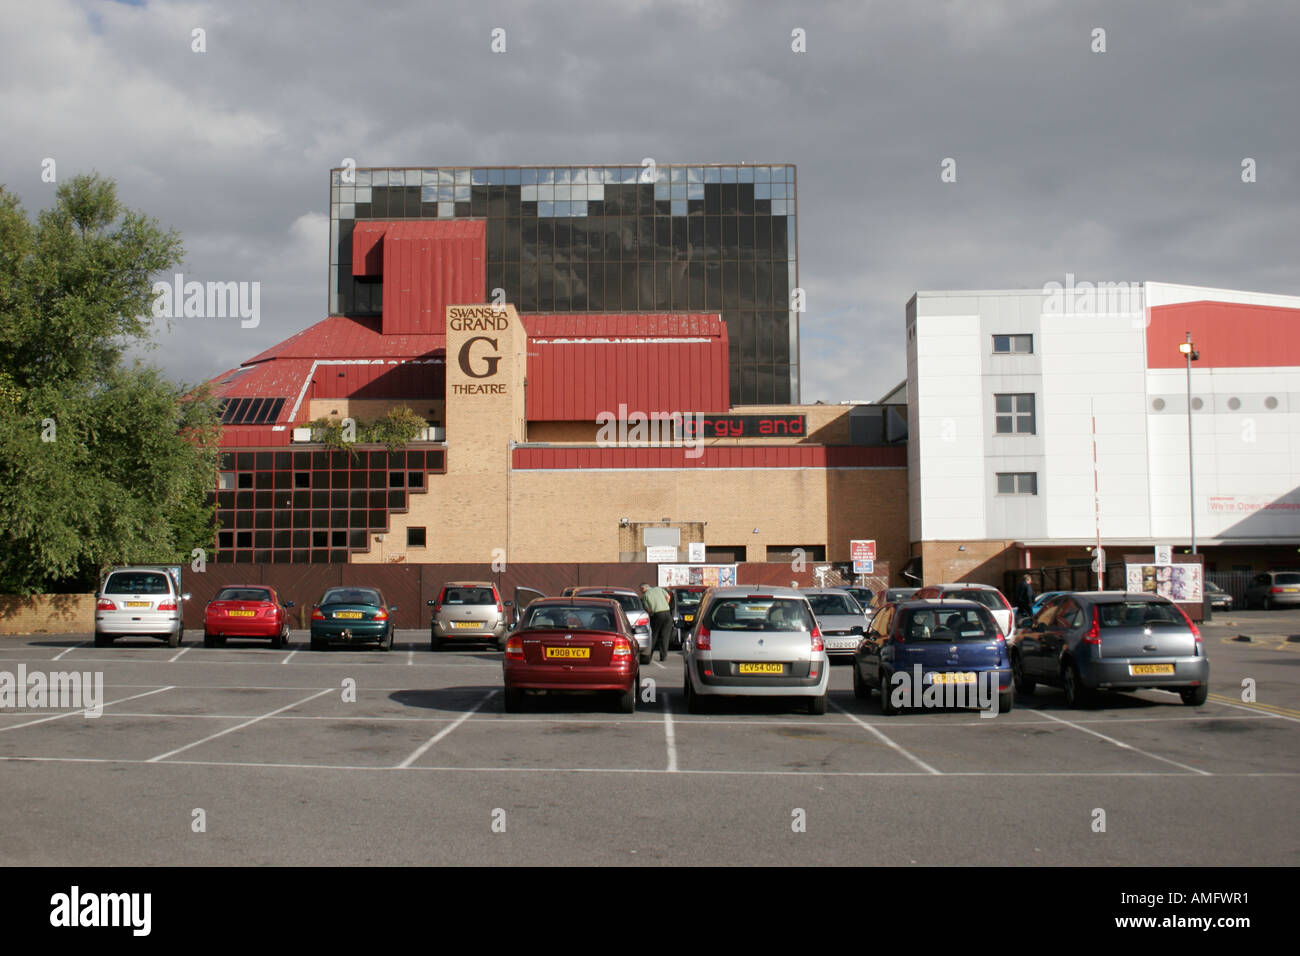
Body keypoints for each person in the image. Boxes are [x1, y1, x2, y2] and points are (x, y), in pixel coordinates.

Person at [640, 582, 672, 661]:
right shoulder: (659, 589)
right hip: (667, 613)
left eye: (641, 590)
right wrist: (665, 605)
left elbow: (648, 609)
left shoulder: (645, 596)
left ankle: (649, 656)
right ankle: (663, 656)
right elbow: (668, 597)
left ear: (643, 588)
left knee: (654, 635)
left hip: (657, 615)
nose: (641, 592)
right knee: (665, 636)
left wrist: (652, 612)